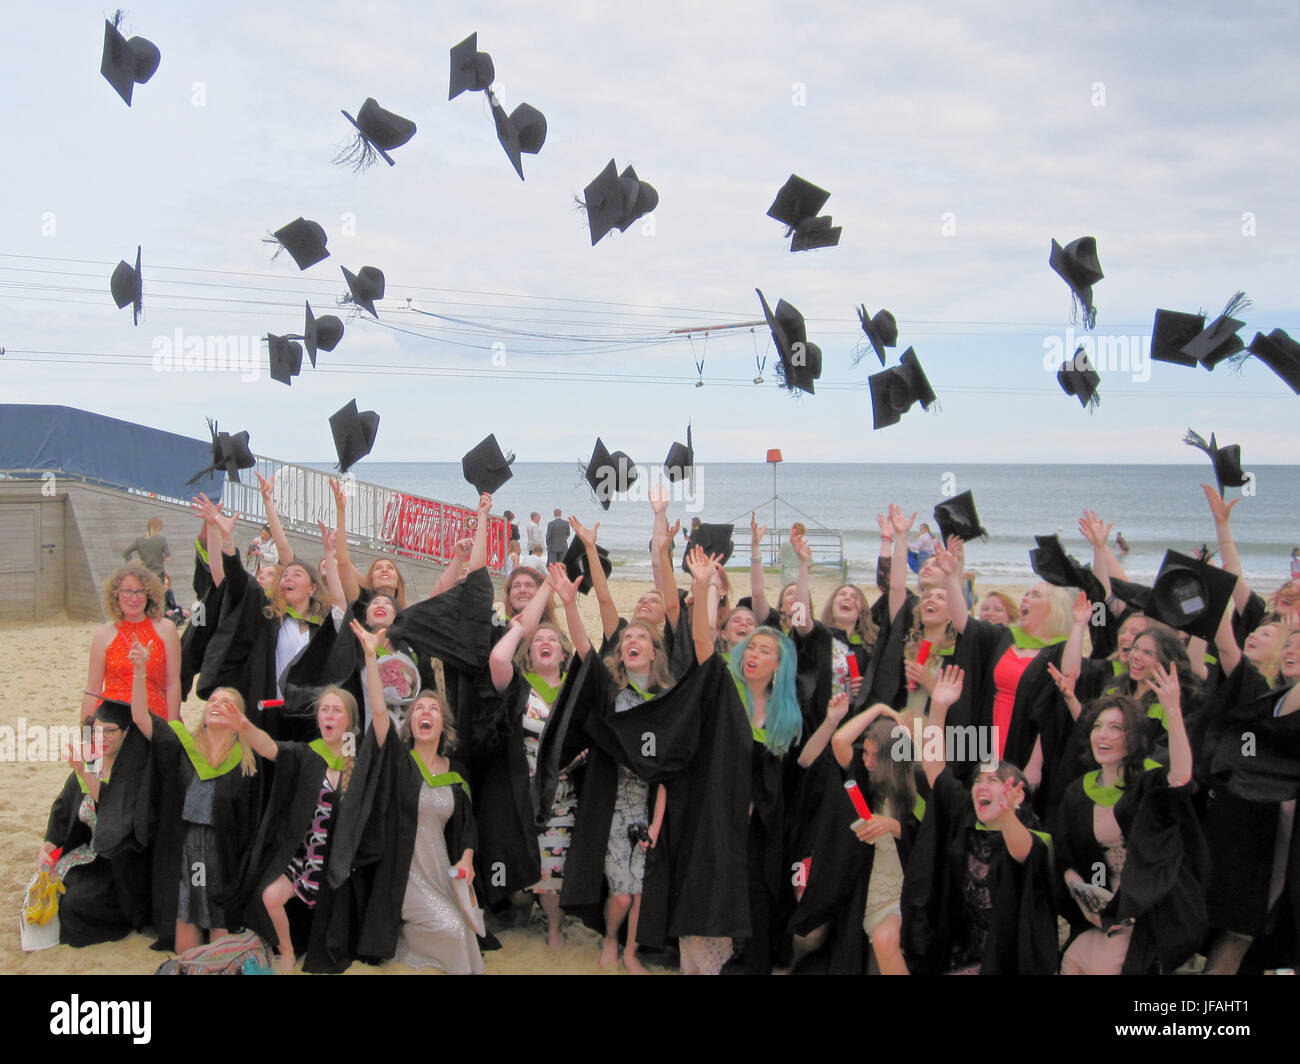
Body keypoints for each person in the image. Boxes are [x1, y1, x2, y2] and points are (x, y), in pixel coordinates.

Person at [900, 665, 1058, 975]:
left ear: (1018, 795)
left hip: (1008, 959)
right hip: (960, 951)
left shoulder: (1036, 839)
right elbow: (935, 769)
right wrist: (940, 707)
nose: (981, 786)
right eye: (978, 780)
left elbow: (1023, 851)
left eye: (994, 780)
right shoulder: (967, 815)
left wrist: (1007, 814)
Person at [551, 564, 667, 973]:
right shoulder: (610, 689)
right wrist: (568, 603)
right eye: (627, 637)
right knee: (622, 894)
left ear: (655, 651)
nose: (632, 640)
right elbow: (584, 649)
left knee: (642, 891)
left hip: (650, 807)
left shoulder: (665, 700)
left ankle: (632, 953)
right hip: (610, 804)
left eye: (642, 637)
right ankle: (613, 937)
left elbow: (670, 766)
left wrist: (656, 823)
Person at [1055, 679, 1206, 975]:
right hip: (1100, 915)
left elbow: (1182, 778)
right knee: (1070, 960)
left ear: (1135, 737)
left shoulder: (1149, 783)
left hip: (1148, 916)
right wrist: (1081, 894)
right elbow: (1065, 856)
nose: (1103, 735)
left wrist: (1173, 712)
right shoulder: (1077, 792)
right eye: (1098, 726)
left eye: (1116, 728)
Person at [128, 641, 263, 952]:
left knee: (220, 937)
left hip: (223, 850)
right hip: (186, 846)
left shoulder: (247, 761)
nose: (215, 704)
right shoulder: (182, 744)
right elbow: (141, 719)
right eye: (212, 700)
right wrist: (139, 671)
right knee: (184, 943)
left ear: (240, 717)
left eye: (226, 702)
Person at [36, 698, 151, 947]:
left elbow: (116, 813)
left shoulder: (137, 772)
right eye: (97, 731)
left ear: (126, 732)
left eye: (110, 730)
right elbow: (63, 809)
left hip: (120, 864)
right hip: (86, 854)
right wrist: (47, 845)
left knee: (78, 903)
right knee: (52, 888)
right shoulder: (91, 765)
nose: (103, 737)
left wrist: (84, 771)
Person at [82, 563, 181, 724]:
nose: (134, 598)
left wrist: (172, 728)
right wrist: (85, 737)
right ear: (116, 594)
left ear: (149, 594)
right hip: (113, 720)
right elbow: (92, 689)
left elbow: (173, 684)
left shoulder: (166, 629)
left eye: (140, 591)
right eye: (127, 591)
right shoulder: (103, 634)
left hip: (155, 718)